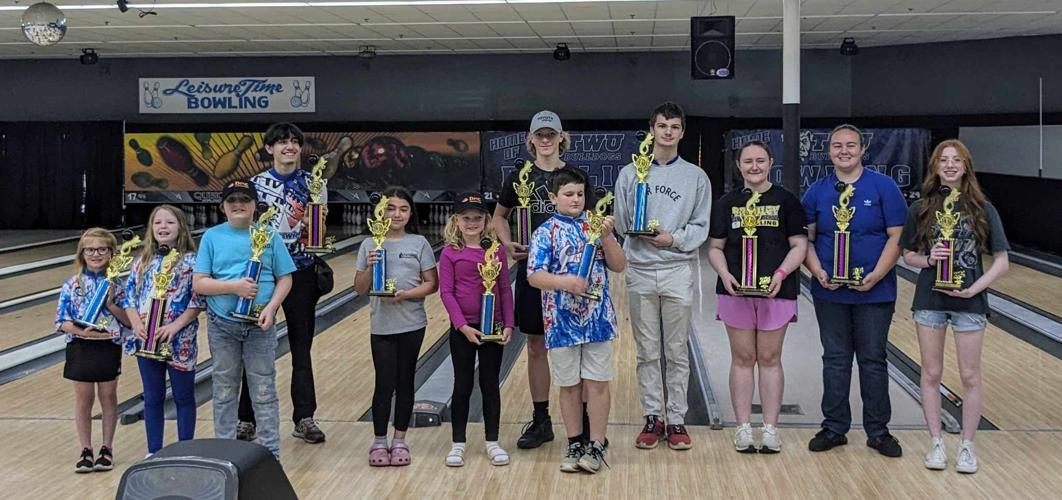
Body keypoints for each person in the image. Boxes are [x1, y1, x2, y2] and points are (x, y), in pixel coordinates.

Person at [900, 139, 1009, 474]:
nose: (949, 165)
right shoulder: (921, 207)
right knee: (931, 373)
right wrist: (928, 258)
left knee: (969, 375)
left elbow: (1003, 260)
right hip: (930, 300)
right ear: (935, 167)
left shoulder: (982, 208)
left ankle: (967, 446)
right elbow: (907, 255)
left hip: (970, 302)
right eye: (943, 160)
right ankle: (935, 443)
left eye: (956, 160)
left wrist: (975, 288)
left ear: (966, 166)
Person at [491, 110, 598, 449]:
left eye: (552, 133)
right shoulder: (518, 176)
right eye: (540, 134)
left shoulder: (575, 176)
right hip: (533, 273)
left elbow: (592, 222)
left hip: (571, 276)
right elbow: (499, 216)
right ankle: (541, 420)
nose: (546, 139)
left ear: (561, 137)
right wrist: (507, 243)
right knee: (536, 346)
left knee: (575, 346)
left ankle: (580, 418)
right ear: (532, 139)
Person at [802, 124, 907, 457]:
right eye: (837, 146)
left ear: (863, 150)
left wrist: (876, 275)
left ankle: (878, 431)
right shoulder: (817, 191)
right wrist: (817, 271)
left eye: (850, 145)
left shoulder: (883, 187)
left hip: (875, 292)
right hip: (830, 292)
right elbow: (806, 238)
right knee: (835, 360)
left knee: (873, 360)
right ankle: (834, 428)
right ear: (829, 151)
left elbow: (897, 237)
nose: (843, 150)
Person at [613, 101, 711, 450]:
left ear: (682, 132)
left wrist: (674, 239)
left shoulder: (696, 177)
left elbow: (700, 226)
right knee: (647, 351)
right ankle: (653, 417)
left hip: (676, 270)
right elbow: (622, 223)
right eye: (661, 126)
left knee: (676, 350)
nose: (667, 132)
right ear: (651, 130)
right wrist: (633, 229)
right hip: (639, 270)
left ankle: (678, 419)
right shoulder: (629, 173)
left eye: (674, 127)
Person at [707, 141, 807, 453]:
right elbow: (715, 248)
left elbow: (800, 245)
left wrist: (780, 274)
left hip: (777, 292)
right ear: (739, 165)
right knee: (742, 357)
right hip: (735, 291)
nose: (754, 166)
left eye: (760, 161)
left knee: (769, 357)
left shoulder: (787, 201)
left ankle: (771, 428)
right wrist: (724, 274)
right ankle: (742, 428)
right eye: (748, 161)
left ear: (770, 162)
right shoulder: (726, 203)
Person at [527, 169, 626, 473]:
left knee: (597, 383)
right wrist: (564, 282)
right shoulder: (545, 232)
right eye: (569, 194)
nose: (575, 199)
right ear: (553, 197)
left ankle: (596, 443)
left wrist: (607, 235)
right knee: (569, 385)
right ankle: (574, 441)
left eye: (580, 194)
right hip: (559, 322)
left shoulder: (595, 227)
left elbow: (620, 265)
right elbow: (534, 276)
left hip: (597, 321)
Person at [194, 179, 295, 461]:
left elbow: (285, 278)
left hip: (259, 327)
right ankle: (224, 453)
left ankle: (271, 453)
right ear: (222, 206)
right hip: (222, 324)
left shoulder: (269, 236)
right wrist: (233, 287)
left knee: (264, 389)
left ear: (254, 205)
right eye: (232, 200)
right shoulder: (212, 237)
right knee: (224, 388)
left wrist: (272, 308)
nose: (238, 205)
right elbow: (199, 283)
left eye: (244, 200)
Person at [240, 122, 326, 444]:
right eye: (282, 142)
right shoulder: (255, 185)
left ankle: (304, 417)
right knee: (253, 345)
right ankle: (245, 419)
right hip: (263, 274)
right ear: (269, 149)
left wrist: (311, 223)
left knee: (301, 349)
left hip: (302, 271)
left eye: (294, 142)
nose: (289, 147)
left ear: (300, 149)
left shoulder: (315, 183)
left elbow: (317, 227)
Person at [353, 186, 438, 467]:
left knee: (405, 382)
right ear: (380, 212)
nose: (397, 214)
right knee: (383, 383)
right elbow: (359, 288)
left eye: (403, 208)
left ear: (410, 212)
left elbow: (431, 284)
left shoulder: (419, 243)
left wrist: (406, 294)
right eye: (391, 208)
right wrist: (368, 266)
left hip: (412, 323)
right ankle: (379, 441)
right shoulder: (369, 244)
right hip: (381, 325)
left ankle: (399, 439)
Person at [438, 192, 514, 467]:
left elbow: (504, 288)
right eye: (466, 218)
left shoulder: (495, 252)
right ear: (456, 220)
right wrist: (461, 326)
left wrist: (508, 323)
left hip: (491, 326)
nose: (471, 223)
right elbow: (446, 292)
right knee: (462, 386)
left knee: (490, 385)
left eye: (477, 218)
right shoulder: (450, 253)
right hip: (464, 329)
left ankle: (492, 442)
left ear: (485, 220)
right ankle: (458, 443)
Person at [122, 205, 203, 457]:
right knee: (152, 397)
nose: (163, 227)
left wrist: (175, 326)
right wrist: (136, 324)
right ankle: (153, 450)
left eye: (170, 222)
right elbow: (129, 299)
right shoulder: (141, 262)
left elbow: (197, 301)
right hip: (146, 340)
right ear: (151, 229)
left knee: (183, 397)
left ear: (180, 226)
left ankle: (184, 449)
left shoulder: (191, 261)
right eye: (158, 223)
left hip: (181, 340)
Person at [58, 228, 131, 473]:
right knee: (84, 399)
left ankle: (107, 448)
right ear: (82, 253)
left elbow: (129, 321)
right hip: (80, 345)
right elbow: (62, 321)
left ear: (112, 253)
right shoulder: (71, 284)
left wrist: (110, 303)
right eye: (90, 249)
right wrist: (85, 332)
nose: (96, 254)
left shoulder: (119, 286)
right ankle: (86, 450)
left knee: (108, 397)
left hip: (108, 346)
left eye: (102, 249)